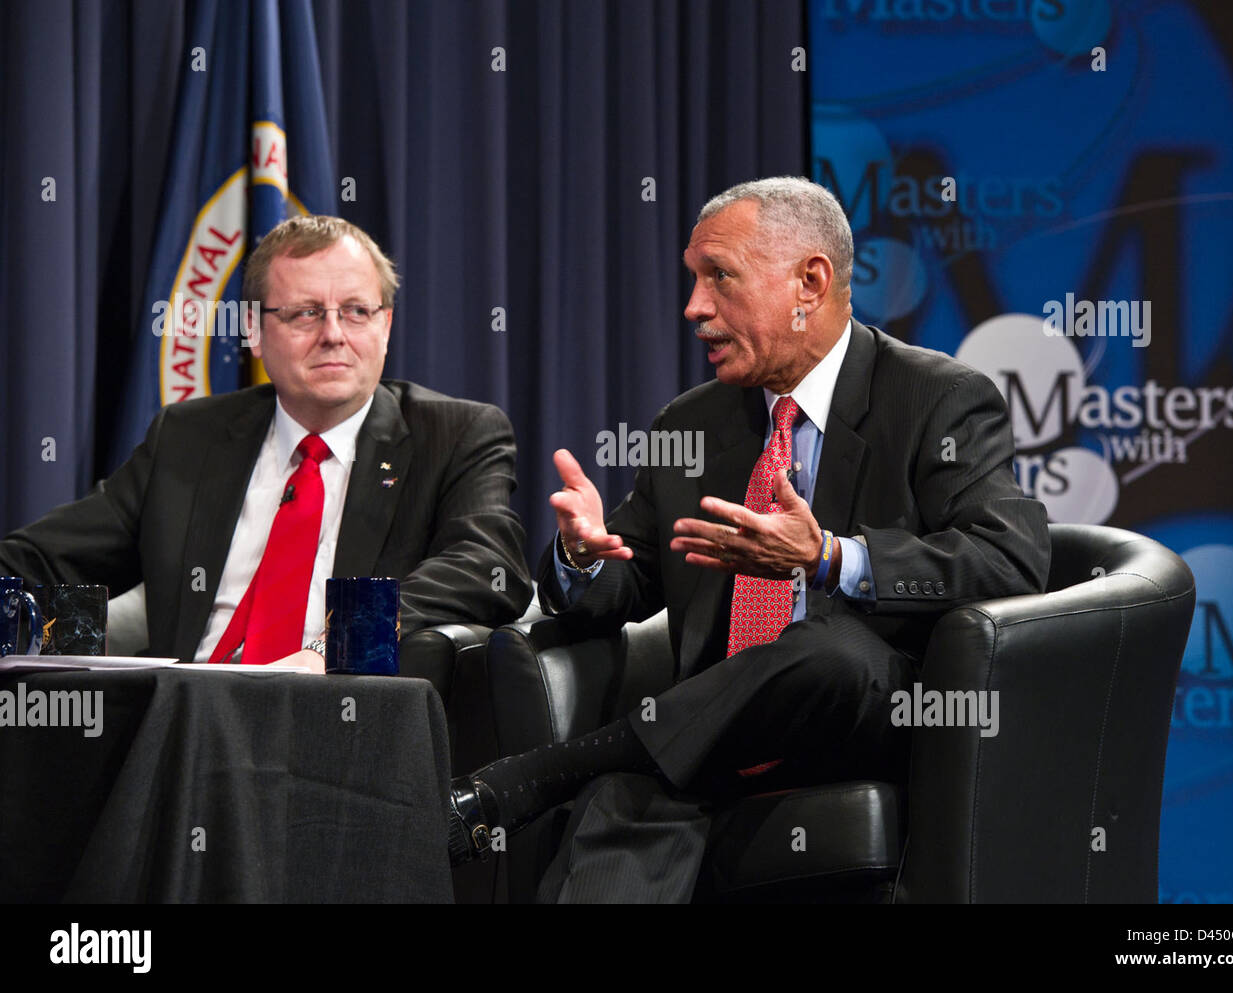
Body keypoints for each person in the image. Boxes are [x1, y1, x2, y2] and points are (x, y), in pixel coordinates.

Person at [448, 177, 1051, 900]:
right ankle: (598, 771)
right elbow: (627, 583)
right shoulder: (691, 424)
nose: (694, 307)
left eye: (719, 278)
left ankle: (532, 779)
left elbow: (1011, 557)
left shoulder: (938, 399)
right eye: (693, 279)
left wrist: (830, 557)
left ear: (810, 281)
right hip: (714, 733)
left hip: (871, 712)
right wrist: (582, 555)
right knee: (625, 799)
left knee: (827, 650)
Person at [0, 215, 531, 667]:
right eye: (305, 313)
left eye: (356, 311)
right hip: (187, 714)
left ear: (385, 326)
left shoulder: (456, 434)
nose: (333, 334)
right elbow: (47, 559)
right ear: (253, 330)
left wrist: (337, 644)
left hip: (348, 721)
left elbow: (488, 566)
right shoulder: (189, 438)